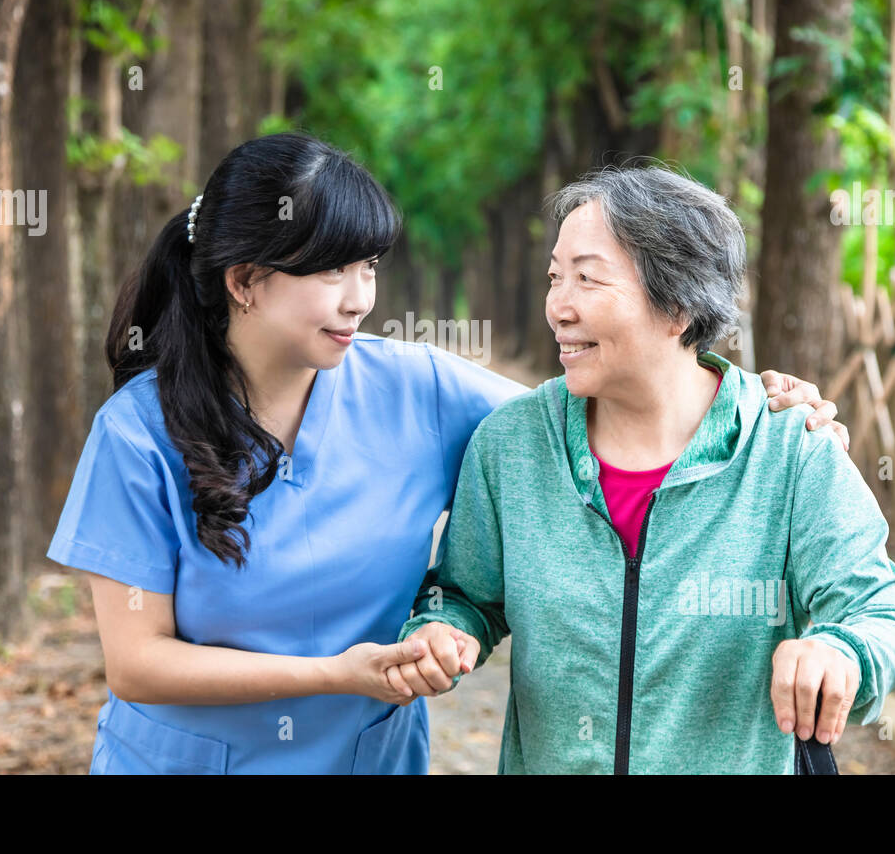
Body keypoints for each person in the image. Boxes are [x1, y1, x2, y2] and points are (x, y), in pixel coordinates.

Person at [47, 133, 849, 773]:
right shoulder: (135, 433)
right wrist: (335, 674)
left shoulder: (418, 390)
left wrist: (746, 398)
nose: (360, 297)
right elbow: (138, 663)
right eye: (330, 269)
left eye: (367, 265)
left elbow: (599, 423)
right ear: (247, 280)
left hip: (369, 760)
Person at [394, 162, 895, 774]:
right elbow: (465, 595)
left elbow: (880, 611)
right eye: (554, 279)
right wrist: (440, 629)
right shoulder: (512, 445)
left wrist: (842, 653)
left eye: (588, 280)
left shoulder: (789, 449)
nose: (558, 308)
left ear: (678, 304)